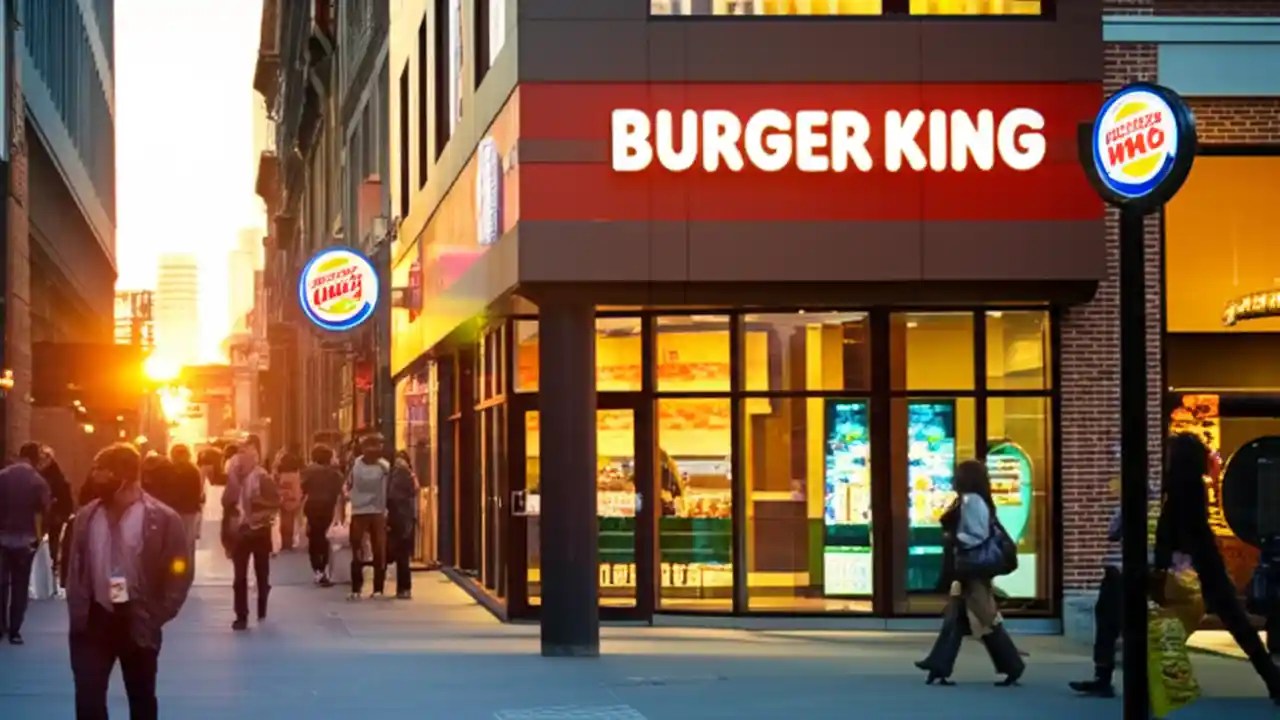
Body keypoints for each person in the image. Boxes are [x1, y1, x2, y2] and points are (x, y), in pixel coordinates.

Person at [67, 443, 192, 719]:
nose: (95, 477)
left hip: (137, 618)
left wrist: (157, 614)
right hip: (94, 619)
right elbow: (76, 565)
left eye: (102, 471)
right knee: (88, 699)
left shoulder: (162, 519)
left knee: (141, 698)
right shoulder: (87, 516)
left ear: (124, 477)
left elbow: (179, 569)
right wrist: (77, 610)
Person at [1156, 433, 1280, 703]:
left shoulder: (1181, 487)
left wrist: (1169, 555)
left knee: (1232, 622)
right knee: (1238, 625)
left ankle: (1273, 678)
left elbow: (1182, 528)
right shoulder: (1190, 485)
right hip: (1205, 563)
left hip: (1194, 565)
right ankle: (1272, 678)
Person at [915, 460, 1024, 686]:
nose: (954, 478)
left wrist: (953, 538)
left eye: (958, 475)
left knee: (984, 617)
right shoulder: (970, 500)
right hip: (970, 567)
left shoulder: (972, 502)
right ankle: (939, 665)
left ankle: (1012, 664)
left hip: (972, 567)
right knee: (958, 616)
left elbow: (976, 535)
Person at [1069, 504, 1123, 697]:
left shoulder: (1138, 505)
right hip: (1116, 570)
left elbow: (1113, 532)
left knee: (1110, 625)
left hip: (1122, 571)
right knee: (1107, 624)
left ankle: (1104, 677)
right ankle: (1102, 676)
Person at [0, 442, 51, 644]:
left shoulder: (2, 477)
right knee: (20, 585)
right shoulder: (38, 481)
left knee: (1, 583)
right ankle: (15, 630)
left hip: (2, 537)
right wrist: (40, 537)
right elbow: (44, 511)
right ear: (35, 458)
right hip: (26, 539)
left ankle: (0, 625)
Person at [228, 450, 279, 631]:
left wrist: (259, 503)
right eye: (238, 462)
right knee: (239, 577)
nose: (239, 466)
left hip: (260, 531)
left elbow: (276, 503)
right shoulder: (234, 480)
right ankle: (241, 616)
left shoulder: (263, 478)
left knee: (261, 573)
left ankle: (262, 606)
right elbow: (228, 505)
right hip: (241, 532)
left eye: (244, 462)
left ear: (254, 461)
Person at [346, 434, 390, 600]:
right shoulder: (384, 466)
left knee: (357, 550)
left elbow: (348, 484)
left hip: (359, 511)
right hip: (377, 511)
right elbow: (388, 489)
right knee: (379, 551)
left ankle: (356, 589)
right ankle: (378, 589)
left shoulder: (355, 464)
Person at [301, 444, 345, 586]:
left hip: (312, 507)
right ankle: (324, 567)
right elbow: (341, 492)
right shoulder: (335, 473)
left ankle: (317, 569)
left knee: (314, 538)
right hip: (328, 507)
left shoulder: (308, 471)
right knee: (325, 538)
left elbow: (303, 488)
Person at [37, 446, 73, 583]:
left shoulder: (55, 477)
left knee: (52, 542)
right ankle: (46, 570)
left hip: (53, 517)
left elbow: (64, 496)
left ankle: (49, 569)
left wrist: (61, 513)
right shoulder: (42, 475)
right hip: (47, 516)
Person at [388, 451, 419, 599]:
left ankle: (403, 588)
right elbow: (415, 491)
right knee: (403, 556)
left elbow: (391, 495)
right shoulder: (409, 474)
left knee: (400, 554)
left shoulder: (397, 474)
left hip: (398, 519)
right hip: (406, 518)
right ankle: (404, 588)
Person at [166, 445, 206, 556]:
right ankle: (186, 571)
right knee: (187, 545)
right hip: (188, 512)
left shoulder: (170, 470)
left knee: (175, 545)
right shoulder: (193, 470)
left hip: (176, 512)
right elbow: (198, 492)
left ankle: (178, 570)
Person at [274, 444, 304, 552]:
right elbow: (298, 488)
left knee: (284, 522)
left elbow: (275, 486)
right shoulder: (296, 475)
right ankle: (290, 542)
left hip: (283, 499)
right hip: (293, 499)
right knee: (293, 522)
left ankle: (285, 543)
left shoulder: (280, 475)